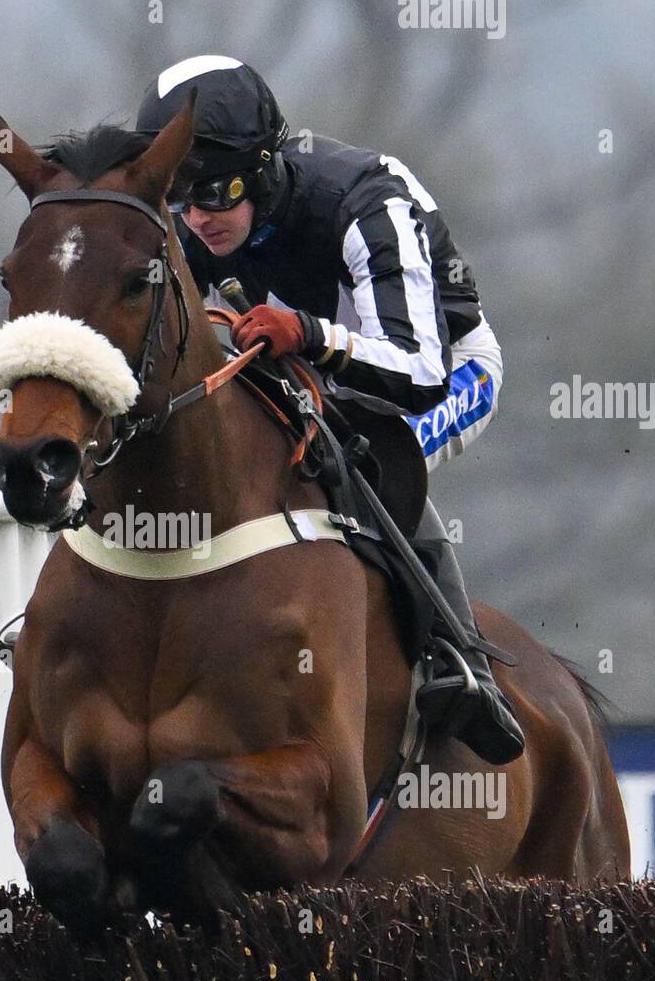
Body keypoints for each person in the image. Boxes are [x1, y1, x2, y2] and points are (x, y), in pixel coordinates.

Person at [135, 55, 524, 764]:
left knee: (363, 460)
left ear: (261, 169)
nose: (197, 219)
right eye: (181, 200)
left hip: (441, 371)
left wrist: (310, 335)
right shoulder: (194, 225)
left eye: (216, 194)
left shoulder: (365, 204)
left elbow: (417, 369)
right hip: (312, 371)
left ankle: (457, 657)